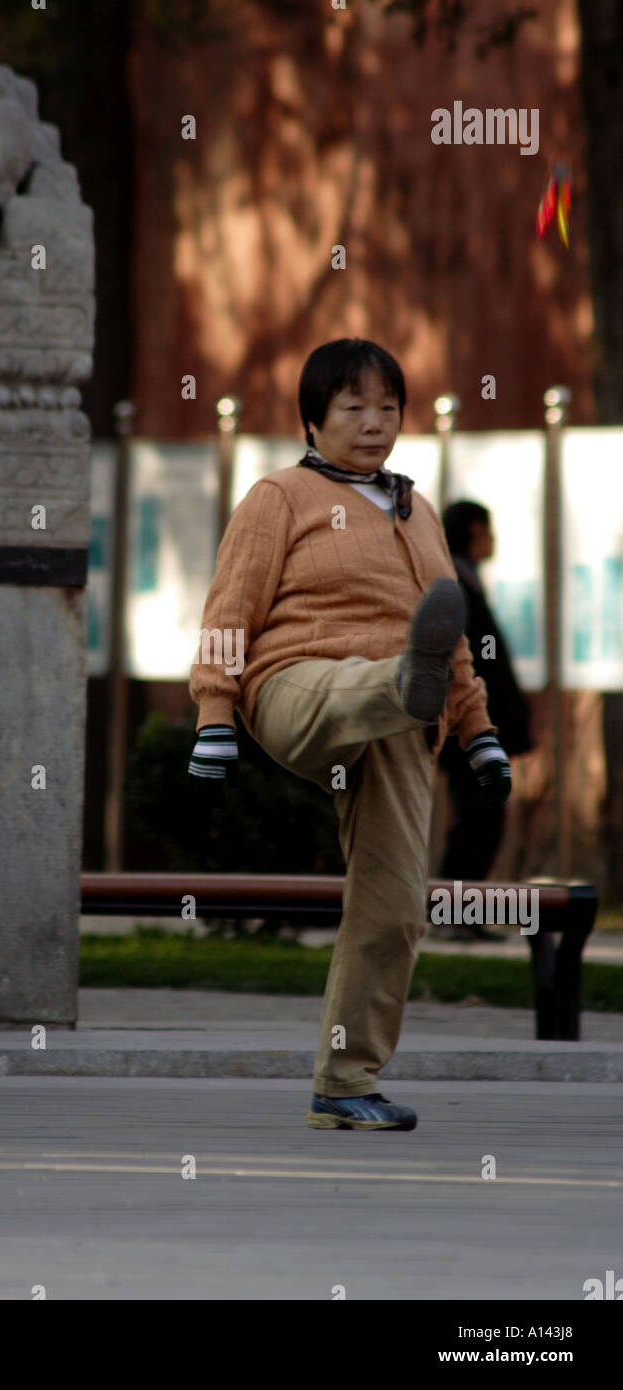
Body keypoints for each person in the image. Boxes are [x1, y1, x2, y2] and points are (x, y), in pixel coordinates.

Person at [186, 338, 511, 1133]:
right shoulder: (279, 496)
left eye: (388, 408)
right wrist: (213, 715)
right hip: (298, 684)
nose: (374, 423)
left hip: (407, 717)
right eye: (354, 408)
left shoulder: (418, 510)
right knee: (362, 683)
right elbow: (229, 609)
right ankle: (400, 682)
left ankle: (344, 1083)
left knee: (396, 904)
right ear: (313, 419)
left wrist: (478, 733)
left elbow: (454, 645)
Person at [434, 501, 535, 941]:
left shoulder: (466, 583)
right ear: (475, 531)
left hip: (478, 730)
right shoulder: (456, 585)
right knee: (477, 820)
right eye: (489, 530)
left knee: (482, 818)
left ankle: (461, 915)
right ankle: (451, 915)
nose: (493, 540)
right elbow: (467, 663)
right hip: (468, 731)